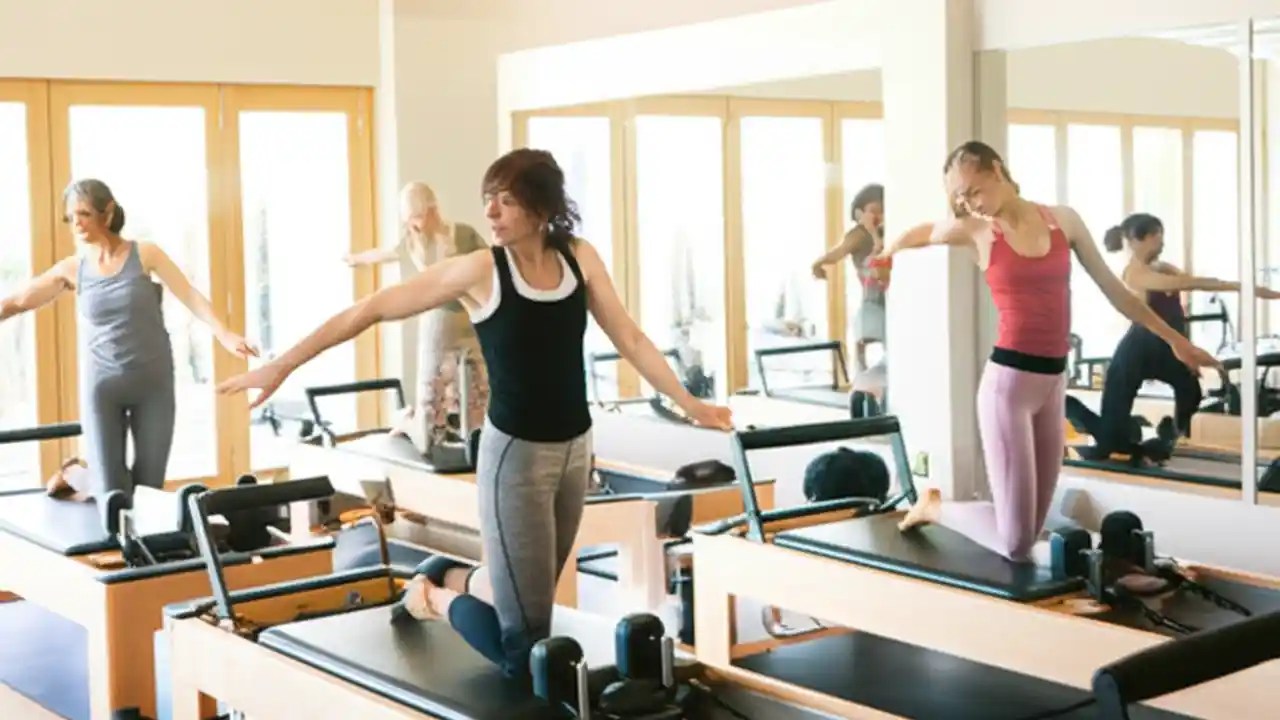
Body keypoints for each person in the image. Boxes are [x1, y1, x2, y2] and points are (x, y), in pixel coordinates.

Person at [217, 148, 733, 680]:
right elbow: (368, 310)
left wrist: (691, 405)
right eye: (488, 199)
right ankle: (430, 597)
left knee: (535, 596)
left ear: (541, 208)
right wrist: (280, 367)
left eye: (505, 201)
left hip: (578, 449)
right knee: (525, 644)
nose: (490, 213)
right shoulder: (480, 271)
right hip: (516, 459)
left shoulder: (579, 257)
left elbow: (630, 336)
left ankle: (451, 576)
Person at [879, 141, 1219, 563]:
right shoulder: (976, 231)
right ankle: (937, 508)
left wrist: (1177, 341)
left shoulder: (1064, 221)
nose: (969, 202)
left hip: (1053, 383)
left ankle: (973, 522)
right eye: (959, 196)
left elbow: (1118, 294)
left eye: (973, 189)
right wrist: (887, 252)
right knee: (1016, 542)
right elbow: (923, 232)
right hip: (1008, 387)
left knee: (1028, 529)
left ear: (998, 170)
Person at [0, 179, 257, 507]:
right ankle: (81, 477)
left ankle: (80, 477)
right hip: (103, 387)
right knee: (115, 496)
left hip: (154, 384)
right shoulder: (72, 269)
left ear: (107, 214)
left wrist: (225, 334)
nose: (76, 223)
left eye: (84, 213)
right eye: (70, 217)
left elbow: (189, 294)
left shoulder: (145, 253)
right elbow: (18, 301)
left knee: (148, 490)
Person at [1065, 212, 1280, 461]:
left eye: (1162, 235)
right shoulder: (1134, 274)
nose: (1162, 241)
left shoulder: (1162, 267)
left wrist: (1243, 287)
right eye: (1157, 235)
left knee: (1190, 391)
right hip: (1138, 348)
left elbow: (1194, 281)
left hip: (1167, 344)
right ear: (1138, 240)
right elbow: (1190, 284)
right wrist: (1239, 287)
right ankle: (1068, 406)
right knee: (1111, 440)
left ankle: (1174, 436)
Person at [346, 182, 490, 454]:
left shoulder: (464, 235)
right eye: (410, 219)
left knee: (475, 383)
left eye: (418, 216)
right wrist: (357, 258)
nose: (415, 224)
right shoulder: (412, 243)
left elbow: (490, 259)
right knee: (432, 390)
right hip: (436, 321)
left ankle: (474, 436)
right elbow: (386, 253)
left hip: (468, 319)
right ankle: (410, 422)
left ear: (432, 209)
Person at [812, 183, 889, 373]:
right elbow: (839, 252)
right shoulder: (858, 235)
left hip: (890, 297)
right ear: (858, 214)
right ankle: (860, 371)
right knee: (867, 336)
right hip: (872, 298)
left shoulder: (888, 233)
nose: (878, 216)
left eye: (882, 211)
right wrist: (819, 262)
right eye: (873, 211)